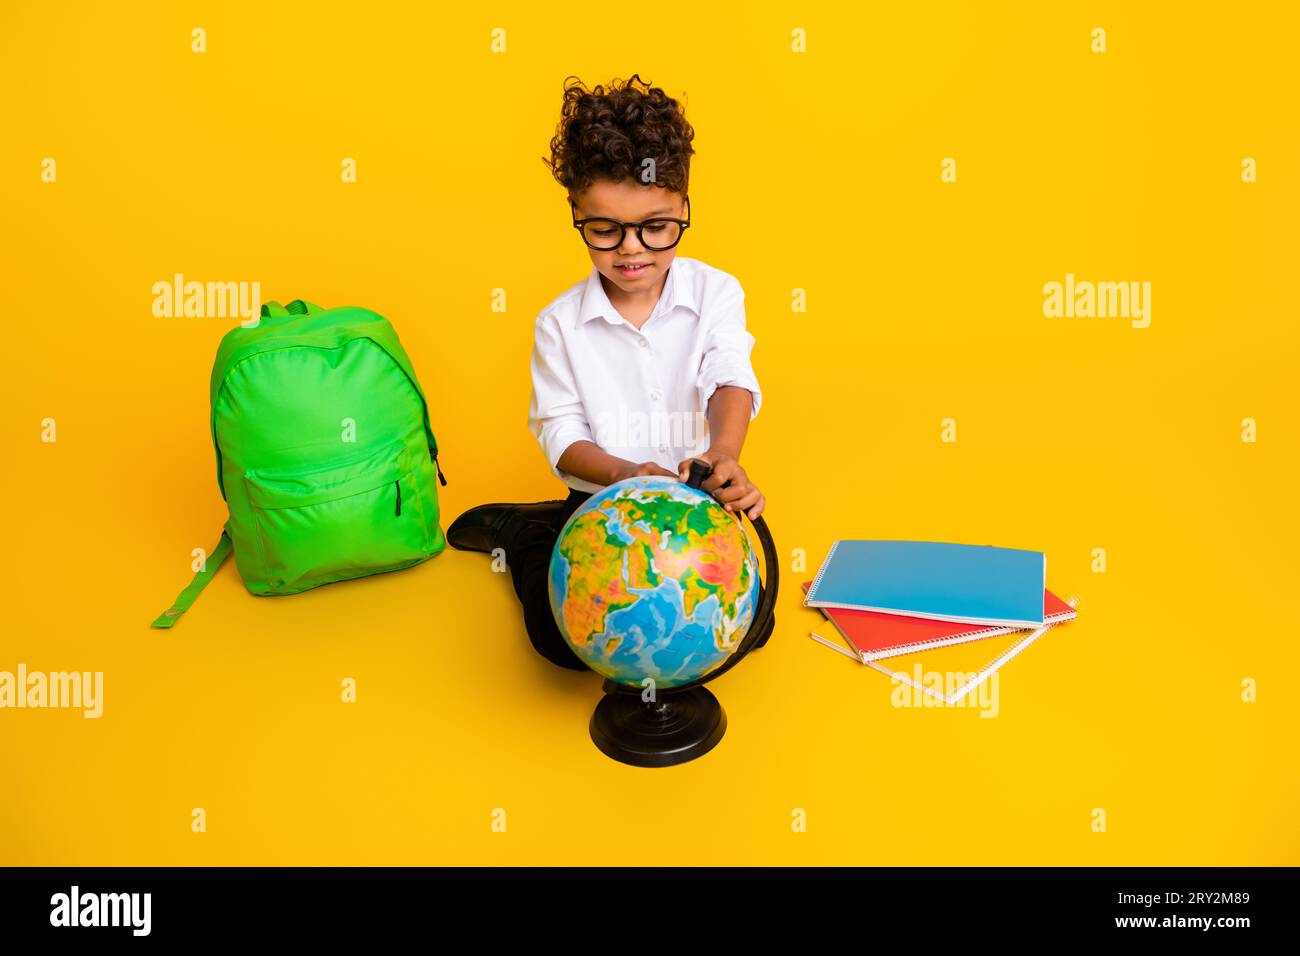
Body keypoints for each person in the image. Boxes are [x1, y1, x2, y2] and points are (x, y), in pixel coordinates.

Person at [447, 74, 768, 670]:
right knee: (560, 642)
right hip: (602, 503)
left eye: (656, 226)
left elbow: (729, 374)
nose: (632, 250)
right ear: (576, 212)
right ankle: (527, 534)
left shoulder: (717, 291)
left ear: (683, 207)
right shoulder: (559, 323)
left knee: (755, 626)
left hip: (693, 504)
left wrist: (725, 453)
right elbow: (562, 433)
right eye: (604, 230)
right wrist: (624, 474)